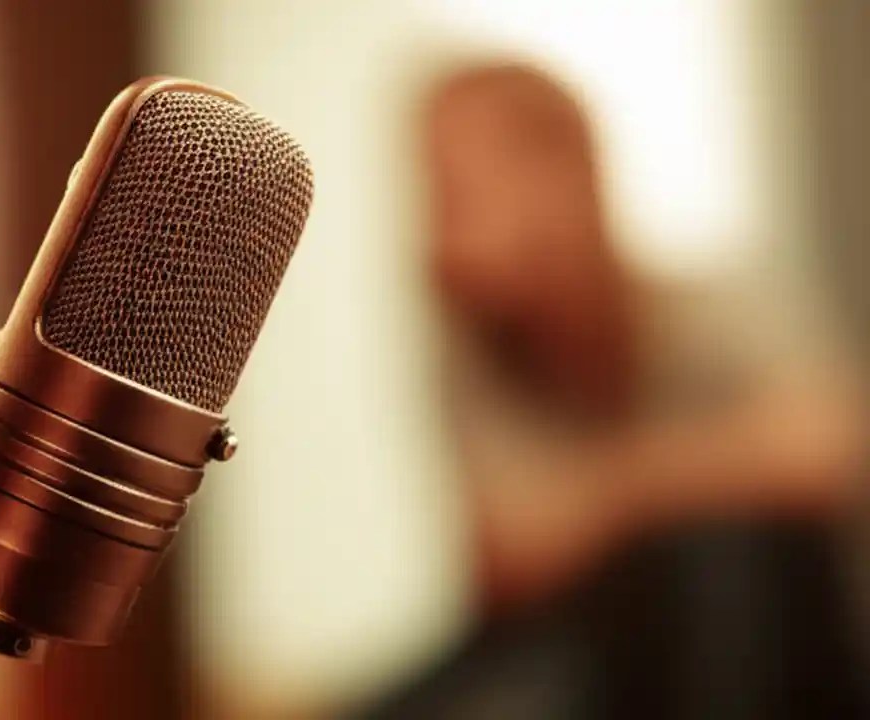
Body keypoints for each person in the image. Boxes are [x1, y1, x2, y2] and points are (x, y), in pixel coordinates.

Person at [362, 64, 869, 719]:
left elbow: (827, 453)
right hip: (582, 650)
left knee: (723, 556)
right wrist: (704, 469)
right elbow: (505, 557)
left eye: (458, 190)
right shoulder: (477, 351)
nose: (435, 224)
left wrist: (603, 498)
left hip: (762, 653)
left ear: (569, 175)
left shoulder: (716, 307)